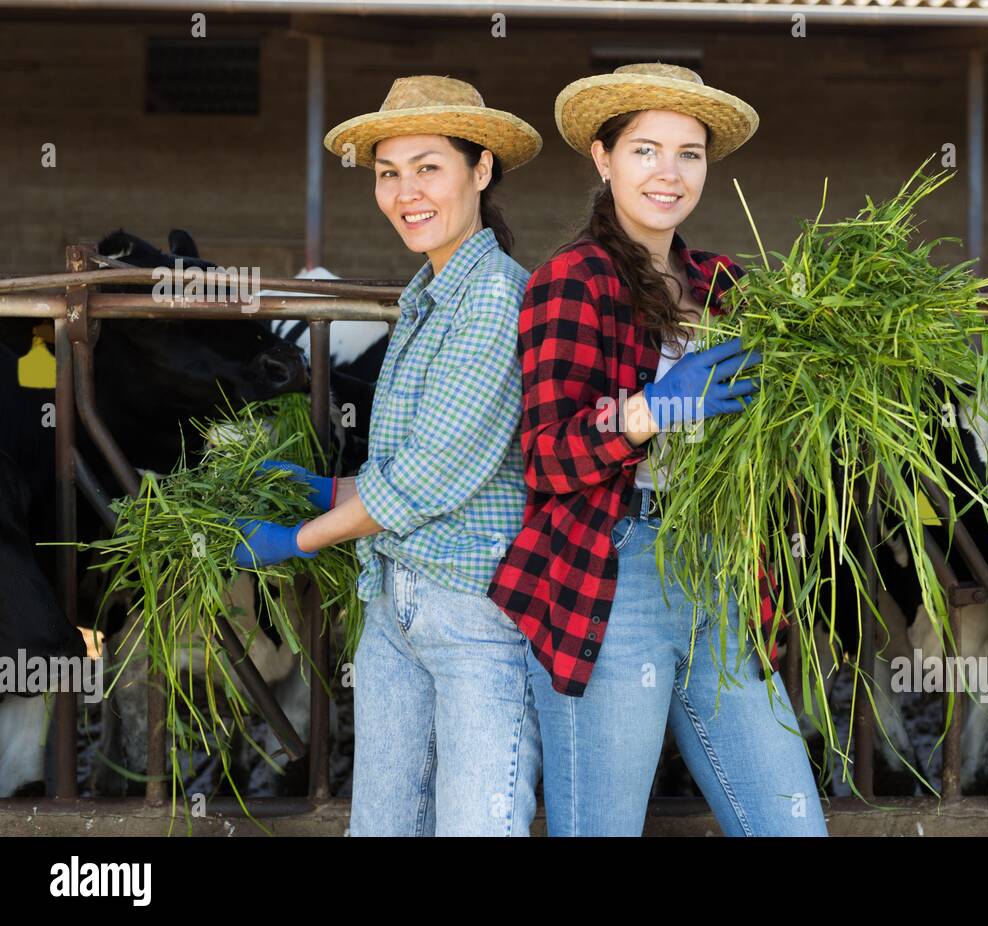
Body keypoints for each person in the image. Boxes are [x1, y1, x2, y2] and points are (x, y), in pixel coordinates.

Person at [488, 63, 829, 837]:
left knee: (791, 825)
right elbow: (544, 456)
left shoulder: (726, 285)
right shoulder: (571, 280)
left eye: (689, 153)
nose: (668, 173)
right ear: (603, 161)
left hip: (722, 567)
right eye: (644, 150)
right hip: (617, 567)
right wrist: (647, 414)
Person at [233, 75, 544, 836]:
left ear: (482, 170)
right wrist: (328, 486)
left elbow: (431, 475)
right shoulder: (424, 297)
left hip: (476, 615)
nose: (407, 191)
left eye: (429, 166)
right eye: (387, 173)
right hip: (394, 605)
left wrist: (295, 540)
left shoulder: (496, 299)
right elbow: (412, 464)